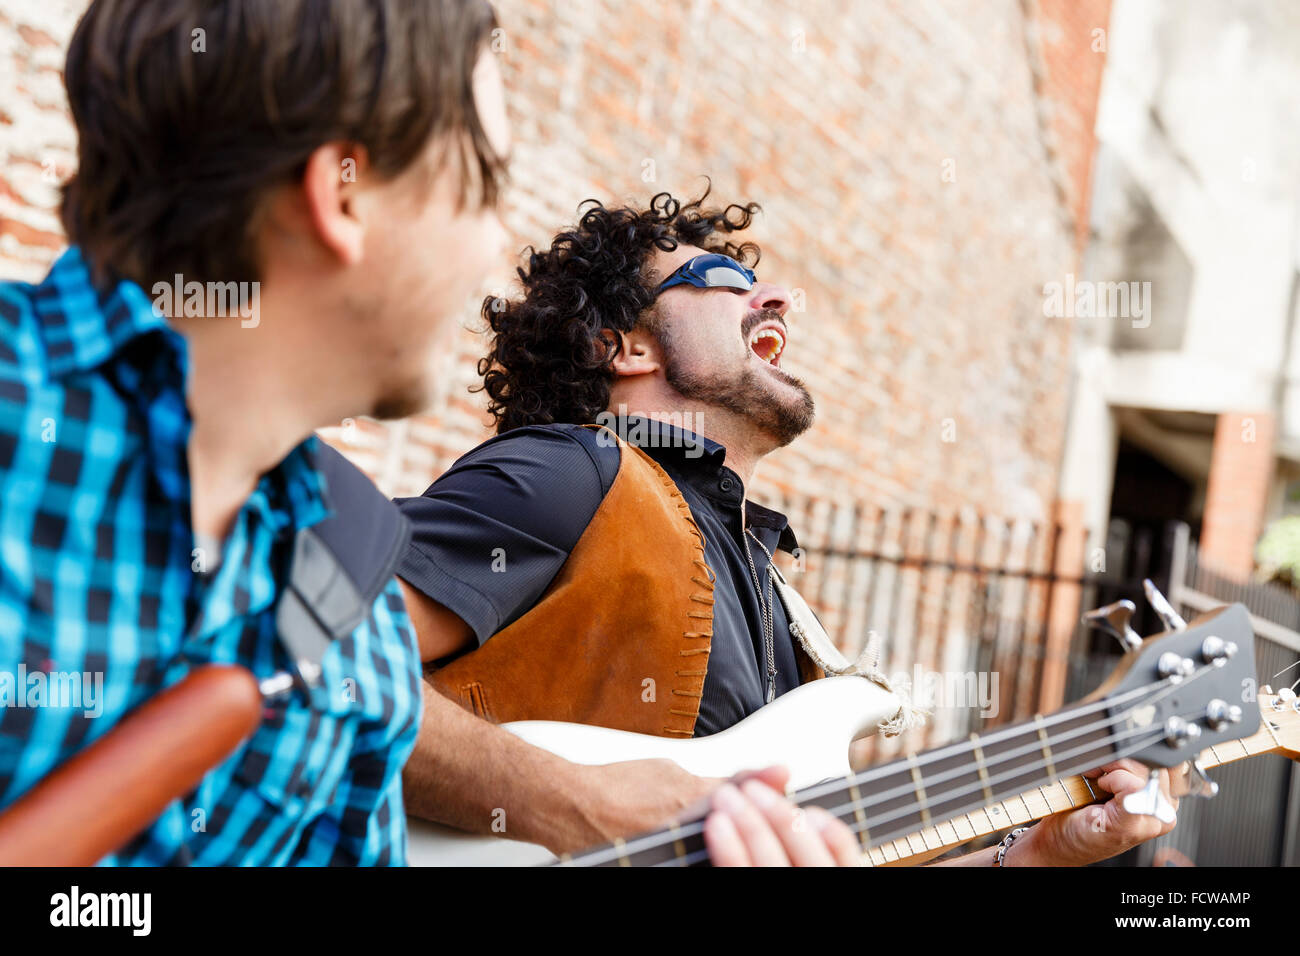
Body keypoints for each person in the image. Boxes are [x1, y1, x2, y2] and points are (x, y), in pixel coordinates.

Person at [0, 0, 847, 867]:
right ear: (342, 193)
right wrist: (575, 803)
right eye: (485, 184)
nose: (490, 251)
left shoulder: (342, 594)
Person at [395, 190, 1182, 865]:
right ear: (625, 346)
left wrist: (1038, 852)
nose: (772, 297)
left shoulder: (764, 587)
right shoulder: (570, 474)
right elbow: (321, 663)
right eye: (725, 280)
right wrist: (580, 803)